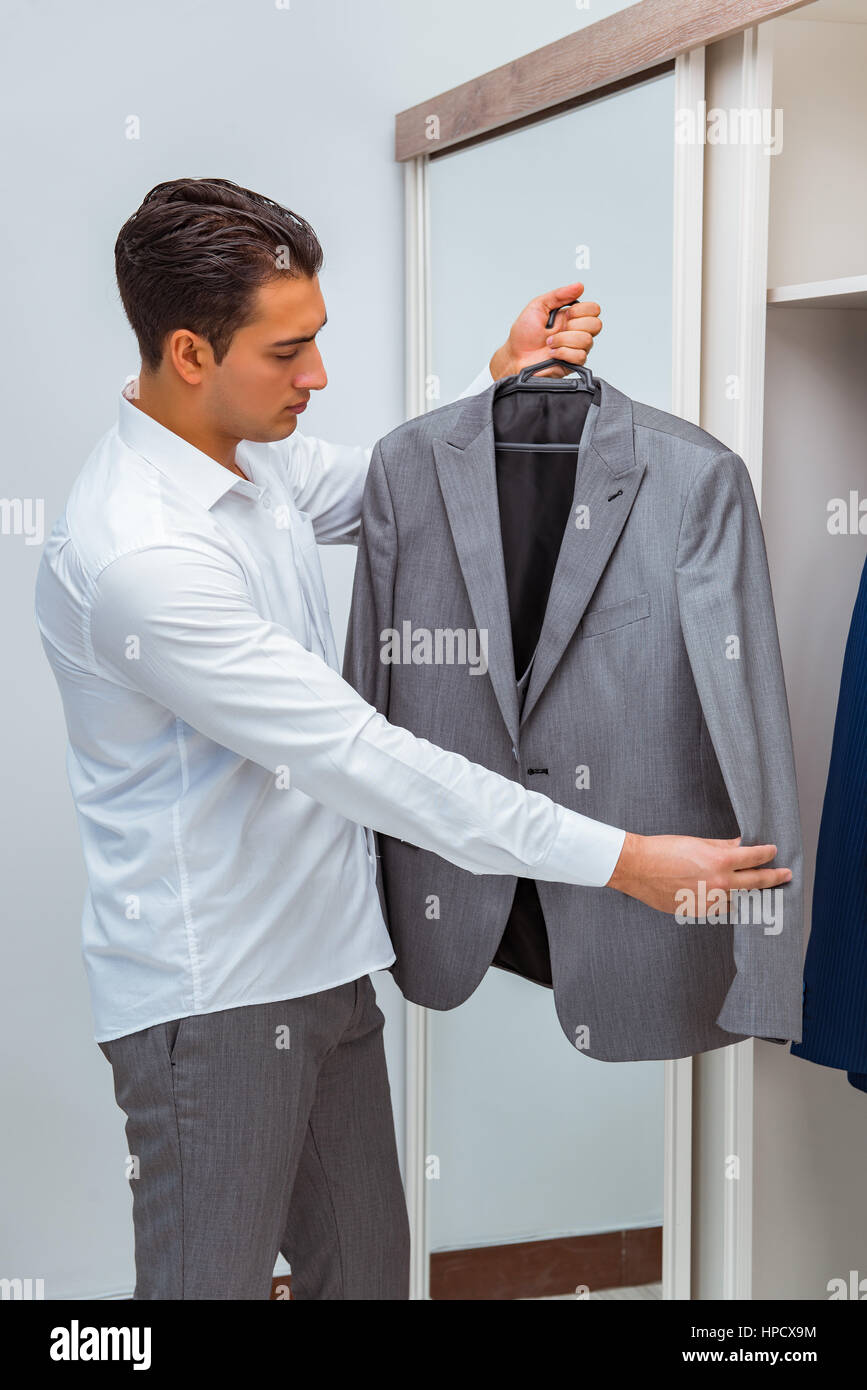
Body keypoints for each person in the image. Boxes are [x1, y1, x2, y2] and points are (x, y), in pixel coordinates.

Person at [34, 177, 791, 1300]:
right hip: (217, 1003)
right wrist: (625, 859)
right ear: (189, 353)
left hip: (330, 971)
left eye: (319, 341)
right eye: (288, 352)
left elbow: (407, 484)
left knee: (367, 1282)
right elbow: (365, 757)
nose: (319, 378)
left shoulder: (255, 461)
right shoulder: (142, 561)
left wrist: (501, 386)